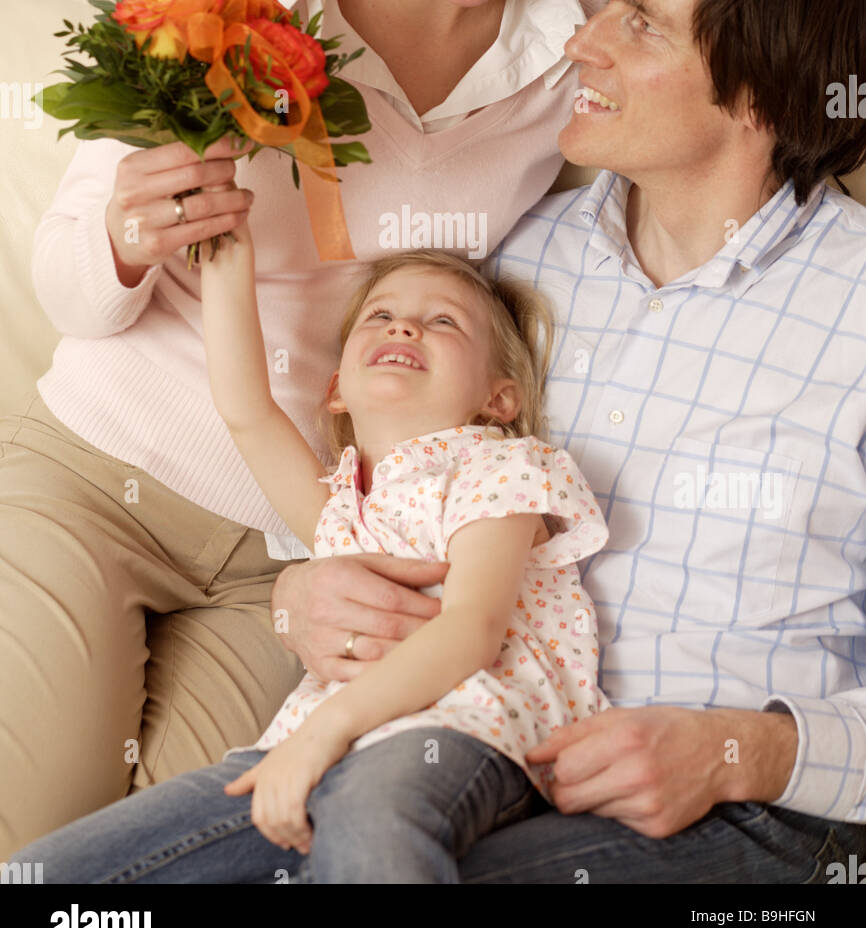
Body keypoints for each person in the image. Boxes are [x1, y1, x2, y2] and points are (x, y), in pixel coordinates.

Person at [0, 0, 648, 860]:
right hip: (99, 473)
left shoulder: (579, 25)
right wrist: (128, 232)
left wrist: (311, 574)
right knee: (28, 828)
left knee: (178, 860)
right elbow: (70, 292)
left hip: (312, 535)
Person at [273, 0, 866, 883]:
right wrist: (300, 594)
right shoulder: (515, 258)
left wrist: (743, 749)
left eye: (637, 24)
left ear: (761, 94)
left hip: (753, 825)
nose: (578, 40)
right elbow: (380, 493)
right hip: (478, 758)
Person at [9, 242, 611, 882]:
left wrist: (325, 731)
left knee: (373, 820)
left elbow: (472, 631)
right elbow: (246, 410)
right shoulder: (340, 509)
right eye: (380, 316)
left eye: (443, 321)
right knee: (50, 872)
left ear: (500, 400)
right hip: (318, 746)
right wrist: (227, 246)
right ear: (336, 391)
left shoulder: (498, 467)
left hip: (466, 728)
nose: (403, 326)